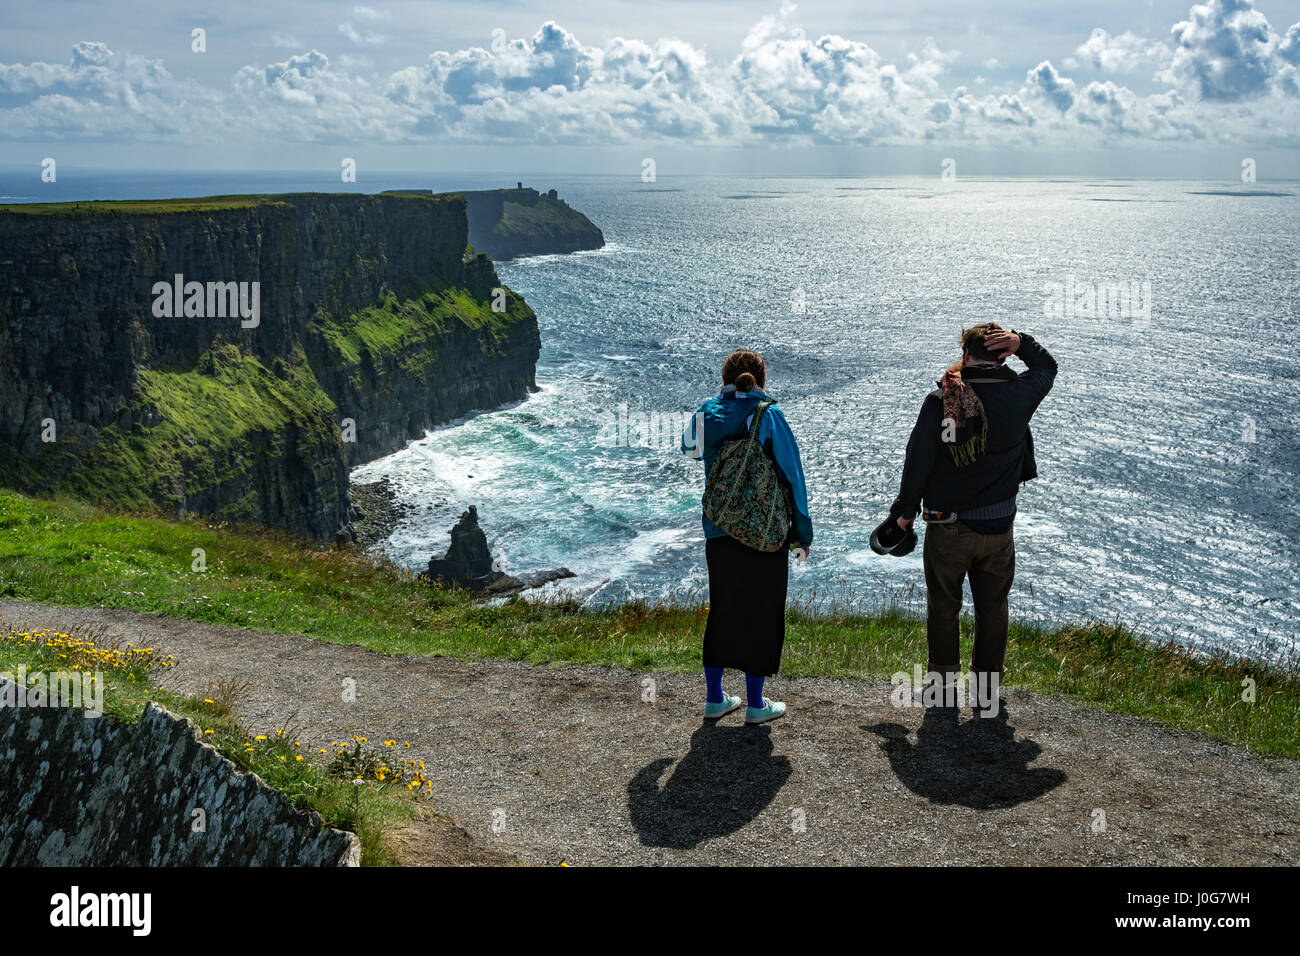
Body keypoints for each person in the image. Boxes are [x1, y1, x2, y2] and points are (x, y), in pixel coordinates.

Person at [888, 324, 1057, 702]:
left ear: (965, 353)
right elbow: (1047, 369)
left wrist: (904, 513)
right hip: (999, 527)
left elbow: (918, 461)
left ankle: (943, 688)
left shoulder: (941, 401)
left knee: (944, 607)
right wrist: (1022, 343)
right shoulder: (1019, 394)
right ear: (1003, 355)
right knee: (993, 608)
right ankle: (986, 689)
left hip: (949, 526)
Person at [682, 349, 813, 725]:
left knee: (723, 608)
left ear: (725, 377)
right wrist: (802, 532)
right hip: (765, 532)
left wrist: (715, 412)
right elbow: (793, 476)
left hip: (720, 527)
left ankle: (714, 698)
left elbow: (688, 450)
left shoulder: (706, 413)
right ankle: (756, 703)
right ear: (760, 380)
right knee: (762, 612)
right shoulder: (769, 415)